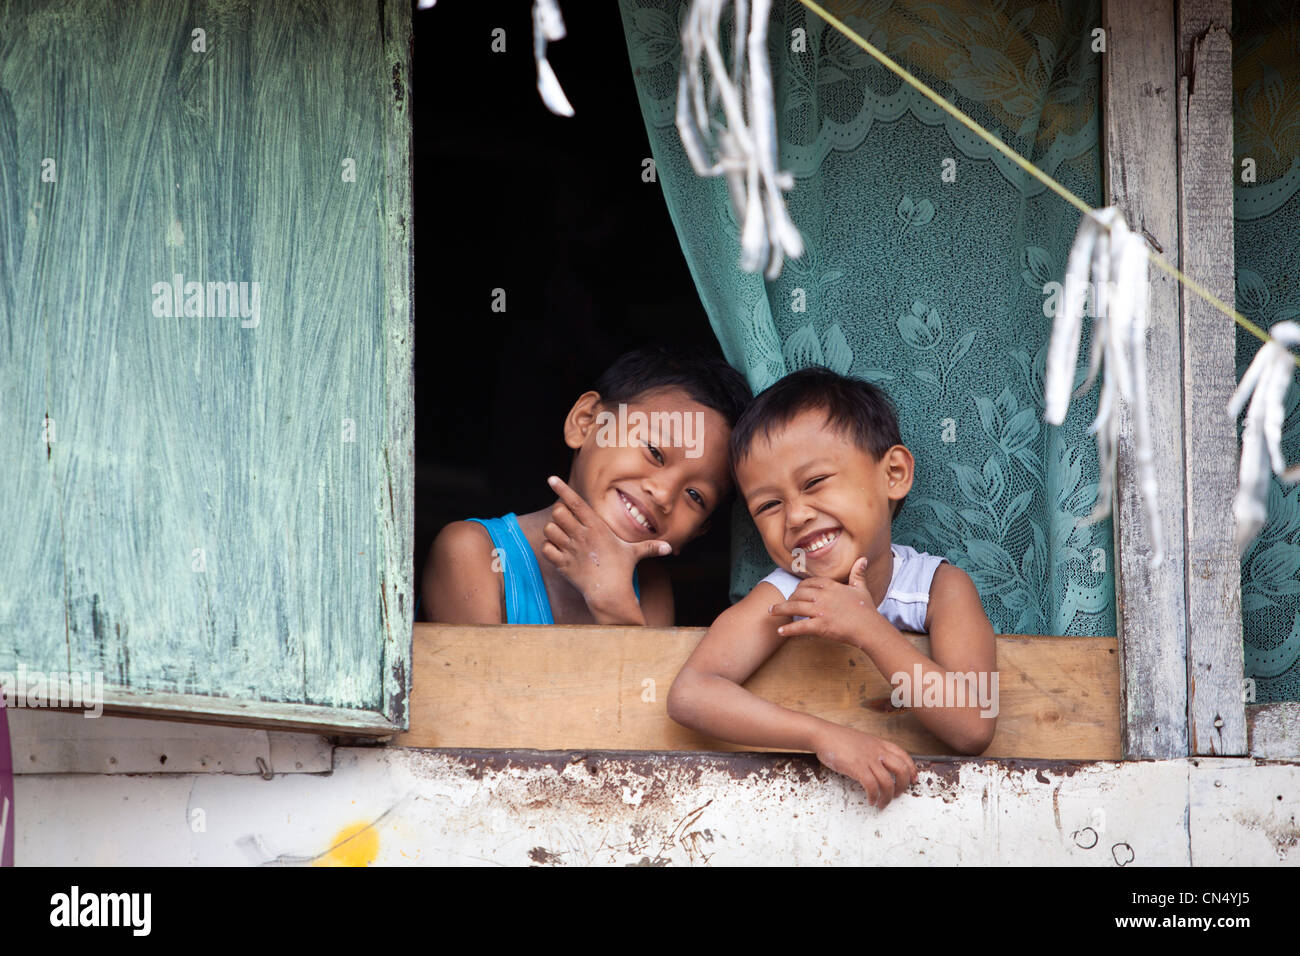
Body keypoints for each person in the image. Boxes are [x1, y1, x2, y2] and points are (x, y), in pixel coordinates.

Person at [667, 367, 997, 807]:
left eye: (815, 482)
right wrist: (822, 737)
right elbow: (691, 693)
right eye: (769, 505)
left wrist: (868, 628)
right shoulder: (786, 595)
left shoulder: (939, 588)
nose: (797, 515)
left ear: (893, 474)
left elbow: (974, 726)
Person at [423, 346, 751, 626]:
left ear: (698, 531)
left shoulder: (649, 588)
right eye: (654, 451)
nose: (664, 495)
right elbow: (483, 695)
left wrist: (613, 604)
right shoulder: (473, 551)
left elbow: (641, 698)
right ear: (586, 422)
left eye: (695, 496)